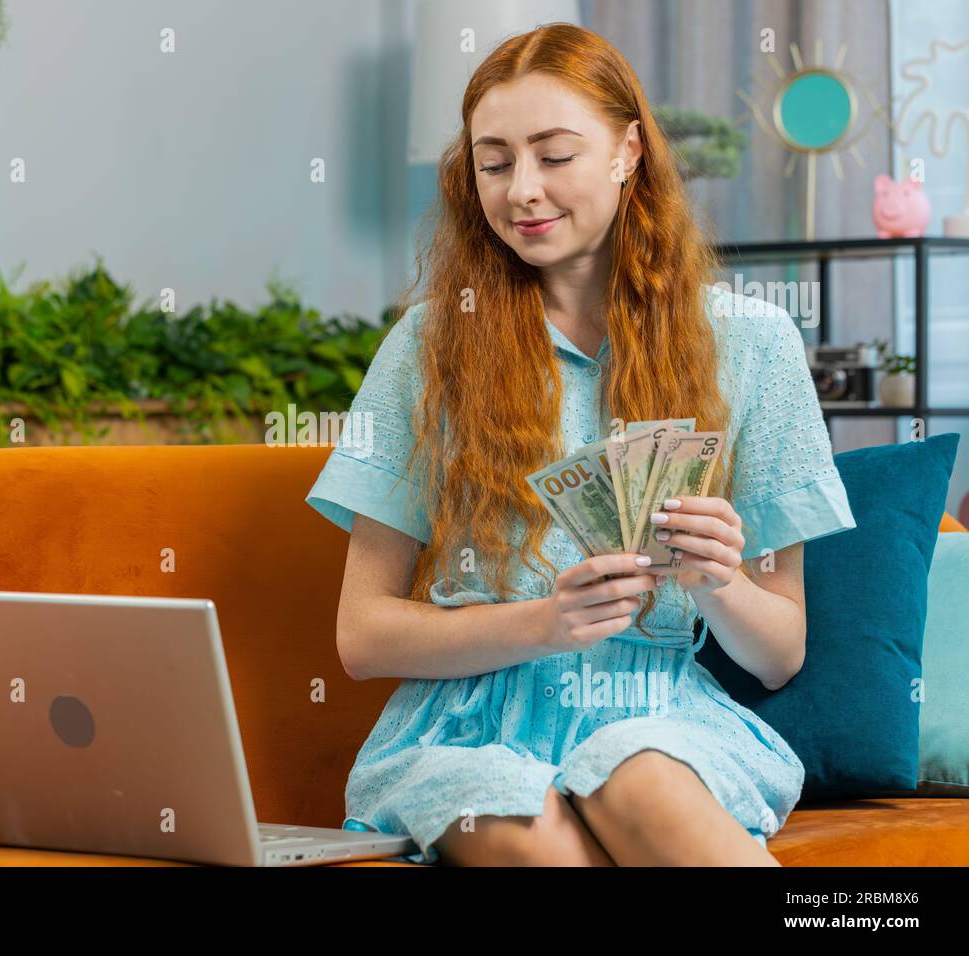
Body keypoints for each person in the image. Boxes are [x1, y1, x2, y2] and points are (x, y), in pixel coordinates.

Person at [303, 22, 856, 866]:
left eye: (554, 155)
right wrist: (545, 622)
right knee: (520, 829)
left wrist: (718, 583)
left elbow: (779, 655)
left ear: (628, 151)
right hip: (463, 734)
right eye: (494, 162)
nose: (522, 190)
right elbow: (362, 636)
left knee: (639, 773)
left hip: (663, 717)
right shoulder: (428, 344)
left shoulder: (754, 342)